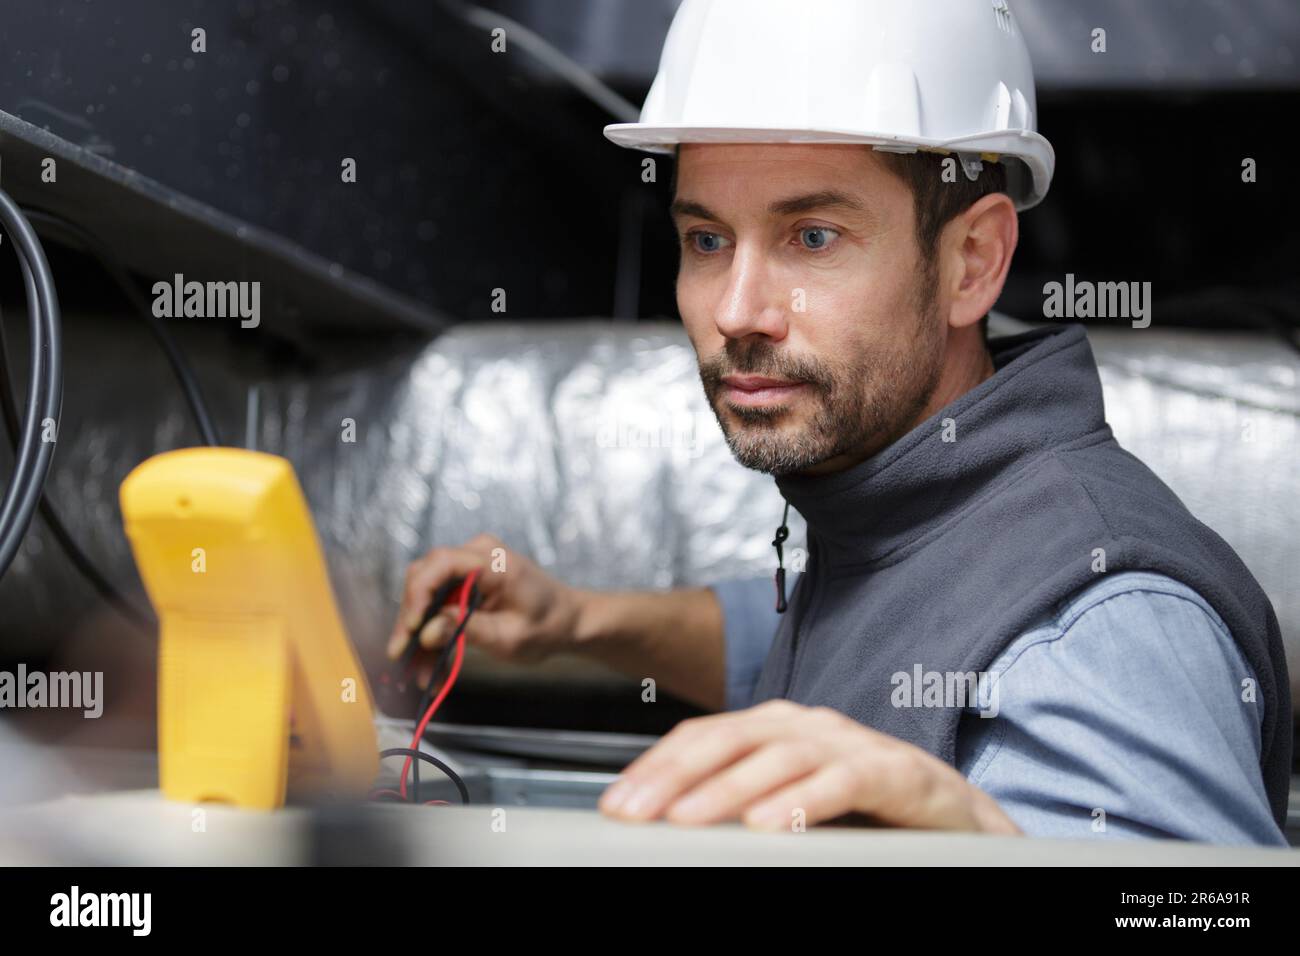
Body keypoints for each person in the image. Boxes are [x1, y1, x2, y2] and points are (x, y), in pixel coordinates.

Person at [388, 0, 1291, 843]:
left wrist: (984, 844)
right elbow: (824, 633)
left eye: (812, 237)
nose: (738, 310)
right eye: (707, 240)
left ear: (972, 262)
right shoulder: (912, 519)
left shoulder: (1097, 627)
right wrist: (583, 621)